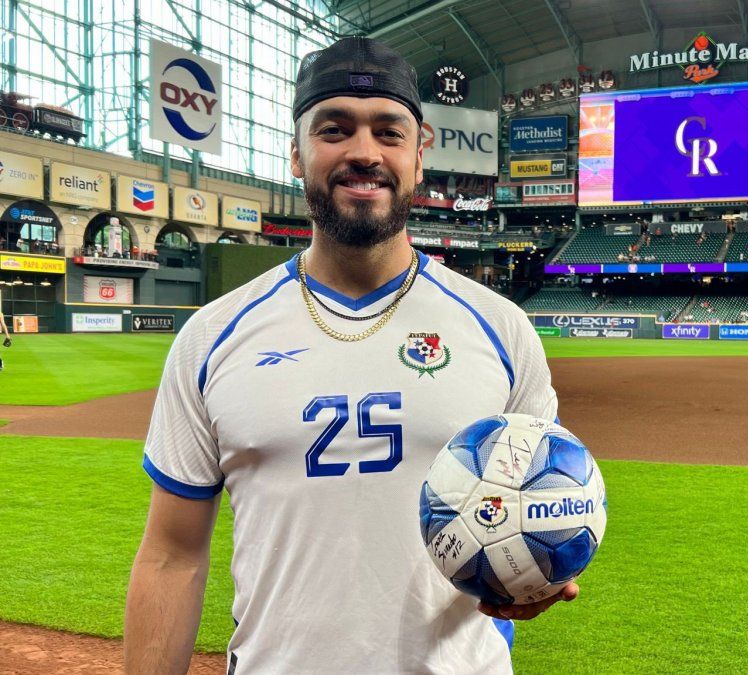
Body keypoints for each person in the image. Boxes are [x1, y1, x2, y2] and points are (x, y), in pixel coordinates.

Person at [125, 38, 571, 674]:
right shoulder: (212, 336)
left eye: (389, 131)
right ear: (297, 154)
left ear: (420, 156)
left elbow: (541, 505)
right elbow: (172, 556)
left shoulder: (502, 329)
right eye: (334, 129)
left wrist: (538, 576)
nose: (364, 152)